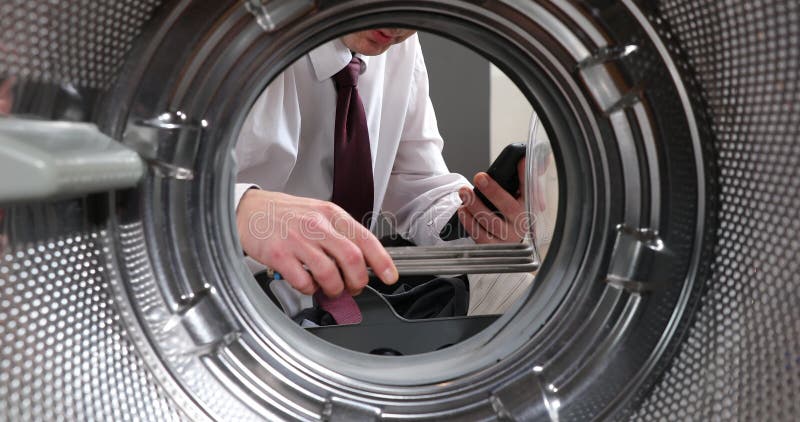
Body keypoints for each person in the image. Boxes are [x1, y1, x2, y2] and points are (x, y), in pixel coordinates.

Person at [234, 29, 528, 307]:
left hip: (340, 314)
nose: (399, 23)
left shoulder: (396, 42)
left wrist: (474, 221)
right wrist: (237, 210)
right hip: (223, 297)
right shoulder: (224, 33)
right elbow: (186, 187)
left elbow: (416, 181)